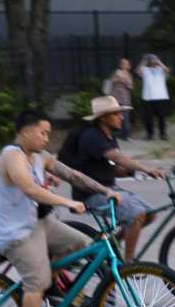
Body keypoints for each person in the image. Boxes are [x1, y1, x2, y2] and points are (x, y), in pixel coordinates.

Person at [0, 109, 114, 307]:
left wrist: (105, 190)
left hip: (36, 222)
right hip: (14, 232)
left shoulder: (39, 156)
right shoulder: (12, 157)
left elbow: (73, 175)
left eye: (49, 133)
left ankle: (49, 286)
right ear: (25, 131)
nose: (47, 138)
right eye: (43, 133)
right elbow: (29, 189)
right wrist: (67, 202)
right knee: (37, 280)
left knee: (80, 243)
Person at [61, 96, 166, 261]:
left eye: (120, 113)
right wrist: (147, 168)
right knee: (137, 215)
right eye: (116, 114)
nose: (121, 117)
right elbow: (119, 158)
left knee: (150, 214)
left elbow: (111, 169)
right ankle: (129, 265)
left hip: (109, 190)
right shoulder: (92, 137)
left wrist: (133, 173)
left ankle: (112, 244)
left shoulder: (108, 136)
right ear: (103, 118)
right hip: (90, 194)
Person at [136, 53, 172, 141]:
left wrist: (159, 62)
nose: (153, 61)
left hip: (161, 97)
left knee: (162, 117)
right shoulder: (145, 69)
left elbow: (167, 71)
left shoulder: (161, 70)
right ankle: (149, 134)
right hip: (148, 98)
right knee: (148, 118)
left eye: (154, 59)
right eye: (151, 59)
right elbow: (138, 72)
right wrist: (144, 61)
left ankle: (163, 134)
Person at [104, 58, 134, 141]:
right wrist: (118, 78)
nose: (126, 65)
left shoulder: (128, 75)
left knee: (125, 118)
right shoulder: (115, 73)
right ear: (120, 65)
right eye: (124, 64)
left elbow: (131, 87)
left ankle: (125, 135)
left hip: (125, 99)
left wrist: (124, 80)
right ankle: (114, 134)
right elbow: (110, 82)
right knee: (114, 117)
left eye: (127, 64)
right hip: (115, 99)